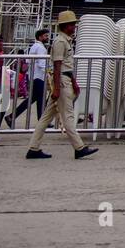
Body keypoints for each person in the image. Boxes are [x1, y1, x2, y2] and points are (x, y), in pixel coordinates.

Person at [26, 11, 98, 160]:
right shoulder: (60, 42)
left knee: (46, 118)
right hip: (62, 82)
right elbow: (57, 66)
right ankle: (79, 147)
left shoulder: (66, 41)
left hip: (65, 79)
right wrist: (57, 88)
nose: (75, 26)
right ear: (65, 26)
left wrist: (74, 81)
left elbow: (66, 66)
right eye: (72, 24)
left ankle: (33, 148)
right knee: (68, 116)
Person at [9, 27, 50, 125]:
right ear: (40, 37)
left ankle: (12, 116)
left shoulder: (34, 46)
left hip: (34, 76)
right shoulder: (40, 48)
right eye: (46, 36)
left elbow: (28, 61)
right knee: (40, 99)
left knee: (35, 99)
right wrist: (49, 73)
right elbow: (41, 64)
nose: (47, 38)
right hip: (39, 77)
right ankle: (42, 121)